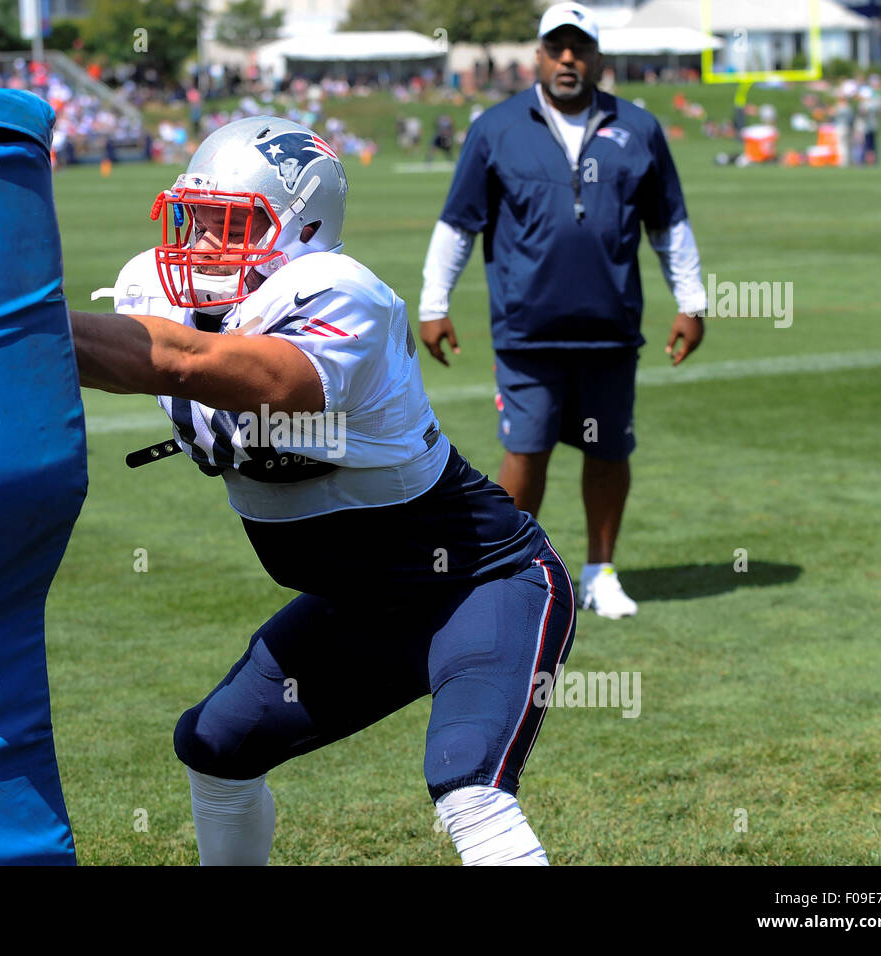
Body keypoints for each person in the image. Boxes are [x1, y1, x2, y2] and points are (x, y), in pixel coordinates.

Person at [71, 115, 576, 865]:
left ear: (305, 227)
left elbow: (205, 369)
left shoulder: (342, 295)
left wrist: (22, 327)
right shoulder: (160, 289)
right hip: (361, 606)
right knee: (217, 746)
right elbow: (147, 357)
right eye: (196, 218)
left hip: (481, 584)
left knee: (468, 787)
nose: (202, 243)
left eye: (231, 223)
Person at [418, 2, 707, 620]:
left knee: (609, 454)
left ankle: (601, 571)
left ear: (598, 58)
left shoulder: (639, 127)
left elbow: (669, 224)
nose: (568, 59)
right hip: (528, 332)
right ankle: (507, 578)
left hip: (609, 331)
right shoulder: (497, 127)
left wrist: (692, 301)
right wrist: (434, 303)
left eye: (579, 48)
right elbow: (458, 224)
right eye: (557, 47)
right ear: (539, 55)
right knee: (526, 454)